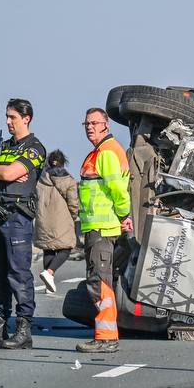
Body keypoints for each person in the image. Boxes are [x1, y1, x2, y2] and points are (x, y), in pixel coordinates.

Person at [0, 99, 46, 350]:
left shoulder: (35, 148)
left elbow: (6, 174)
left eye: (13, 117)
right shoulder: (4, 147)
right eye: (7, 116)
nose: (8, 121)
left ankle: (23, 329)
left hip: (17, 217)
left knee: (18, 274)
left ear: (26, 119)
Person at [75, 107, 132, 354]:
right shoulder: (99, 152)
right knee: (99, 281)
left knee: (100, 283)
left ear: (106, 125)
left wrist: (124, 215)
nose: (90, 127)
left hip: (103, 227)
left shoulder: (107, 152)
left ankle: (107, 338)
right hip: (97, 227)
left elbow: (117, 190)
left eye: (94, 123)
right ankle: (105, 336)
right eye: (86, 123)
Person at [35, 150, 80, 293]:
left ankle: (48, 283)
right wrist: (73, 217)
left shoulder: (40, 179)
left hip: (43, 218)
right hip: (62, 218)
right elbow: (73, 203)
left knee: (48, 248)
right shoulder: (69, 180)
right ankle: (49, 272)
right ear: (63, 162)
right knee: (66, 247)